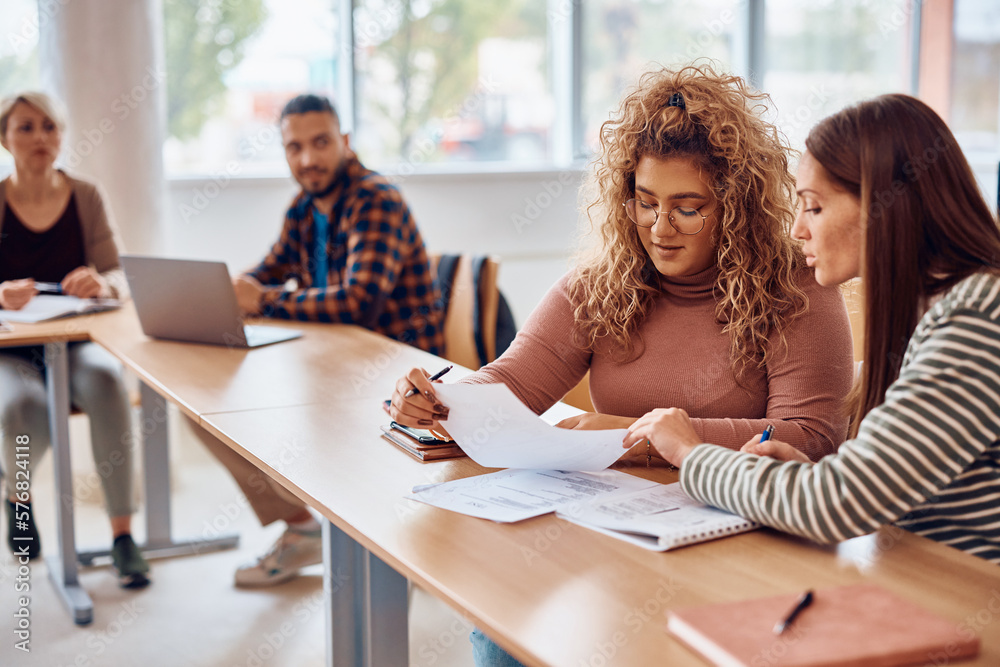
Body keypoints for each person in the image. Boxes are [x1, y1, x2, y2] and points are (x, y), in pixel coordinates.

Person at [388, 65, 855, 666]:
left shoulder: (795, 289)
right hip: (613, 529)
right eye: (645, 202)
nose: (659, 230)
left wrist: (635, 439)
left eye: (688, 208)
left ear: (736, 206)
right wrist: (440, 398)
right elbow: (510, 382)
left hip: (735, 539)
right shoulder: (601, 283)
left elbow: (811, 439)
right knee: (503, 620)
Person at [625, 93, 1000, 565]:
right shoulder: (937, 310)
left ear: (884, 207)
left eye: (815, 207)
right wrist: (801, 477)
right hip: (922, 585)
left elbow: (838, 505)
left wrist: (688, 452)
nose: (799, 229)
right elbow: (889, 490)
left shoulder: (976, 320)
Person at [192, 93, 444, 587]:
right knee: (207, 409)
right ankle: (304, 529)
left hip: (396, 375)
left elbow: (358, 301)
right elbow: (267, 271)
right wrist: (226, 296)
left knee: (255, 413)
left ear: (345, 143)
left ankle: (383, 553)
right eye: (295, 147)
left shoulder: (376, 200)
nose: (308, 159)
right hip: (330, 365)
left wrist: (260, 300)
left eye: (321, 143)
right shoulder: (304, 208)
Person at [0, 92, 150, 588]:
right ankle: (19, 504)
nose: (39, 137)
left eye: (49, 126)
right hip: (14, 350)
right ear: (5, 138)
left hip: (79, 341)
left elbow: (119, 275)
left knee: (108, 384)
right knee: (19, 407)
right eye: (25, 127)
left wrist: (104, 284)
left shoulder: (85, 196)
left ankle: (123, 535)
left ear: (61, 135)